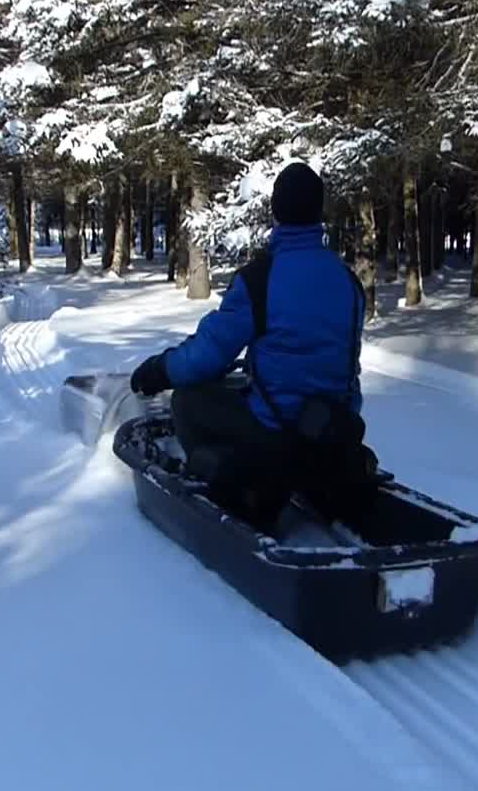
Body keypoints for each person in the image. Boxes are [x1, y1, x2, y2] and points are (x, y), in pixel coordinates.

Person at [129, 162, 373, 529]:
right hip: (330, 431)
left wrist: (159, 370)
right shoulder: (348, 282)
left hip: (274, 434)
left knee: (187, 400)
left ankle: (236, 487)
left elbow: (206, 357)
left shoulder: (261, 278)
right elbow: (346, 368)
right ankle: (320, 477)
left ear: (275, 212)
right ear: (318, 213)